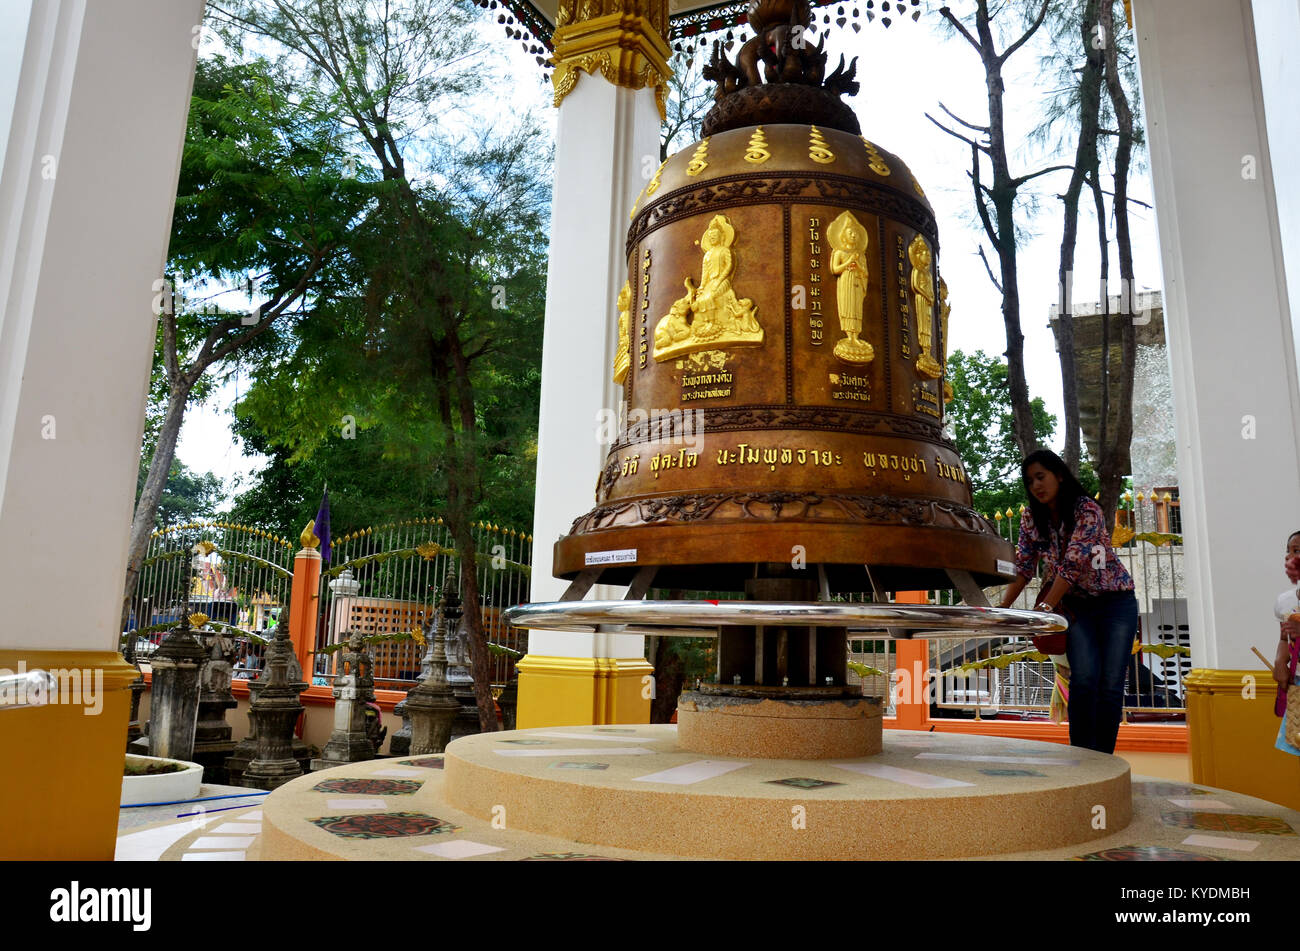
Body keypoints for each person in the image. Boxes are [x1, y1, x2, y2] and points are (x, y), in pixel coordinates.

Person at [998, 449, 1138, 754]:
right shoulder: (1030, 518)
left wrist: (1045, 610)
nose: (1036, 485)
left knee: (1111, 684)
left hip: (1116, 603)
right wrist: (1002, 609)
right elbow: (1024, 566)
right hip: (1076, 608)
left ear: (1058, 475)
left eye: (1041, 476)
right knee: (1085, 678)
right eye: (1030, 480)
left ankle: (1103, 760)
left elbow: (1071, 566)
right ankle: (1083, 760)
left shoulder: (1087, 509)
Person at [1270, 532, 1300, 756]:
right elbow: (1284, 637)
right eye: (1289, 551)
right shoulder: (1286, 601)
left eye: (1297, 551)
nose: (1291, 557)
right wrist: (1280, 660)